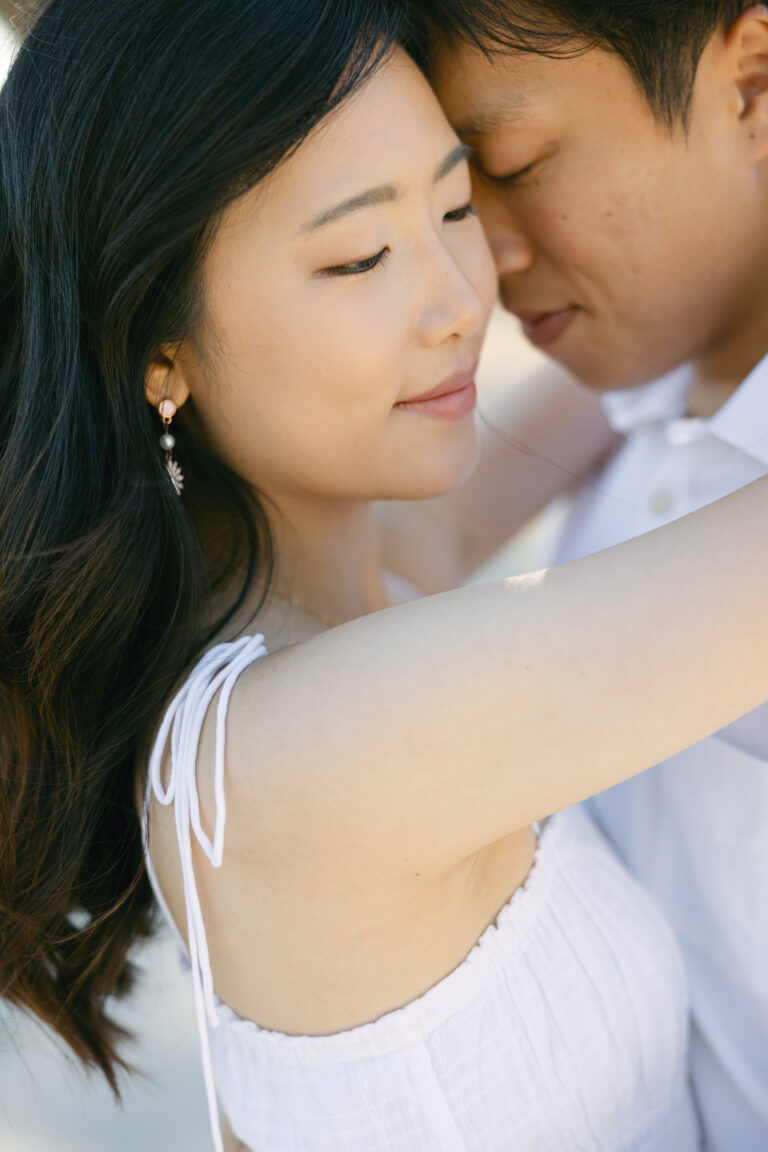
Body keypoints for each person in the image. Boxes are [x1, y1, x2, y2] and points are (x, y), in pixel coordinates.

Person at [1, 3, 768, 1151]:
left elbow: (633, 364)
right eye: (359, 256)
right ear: (158, 345)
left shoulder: (344, 593)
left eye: (455, 206)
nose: (463, 299)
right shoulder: (316, 749)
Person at [409, 2, 768, 1148]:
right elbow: (414, 544)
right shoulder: (644, 383)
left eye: (514, 167)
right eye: (452, 196)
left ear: (753, 83)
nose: (482, 261)